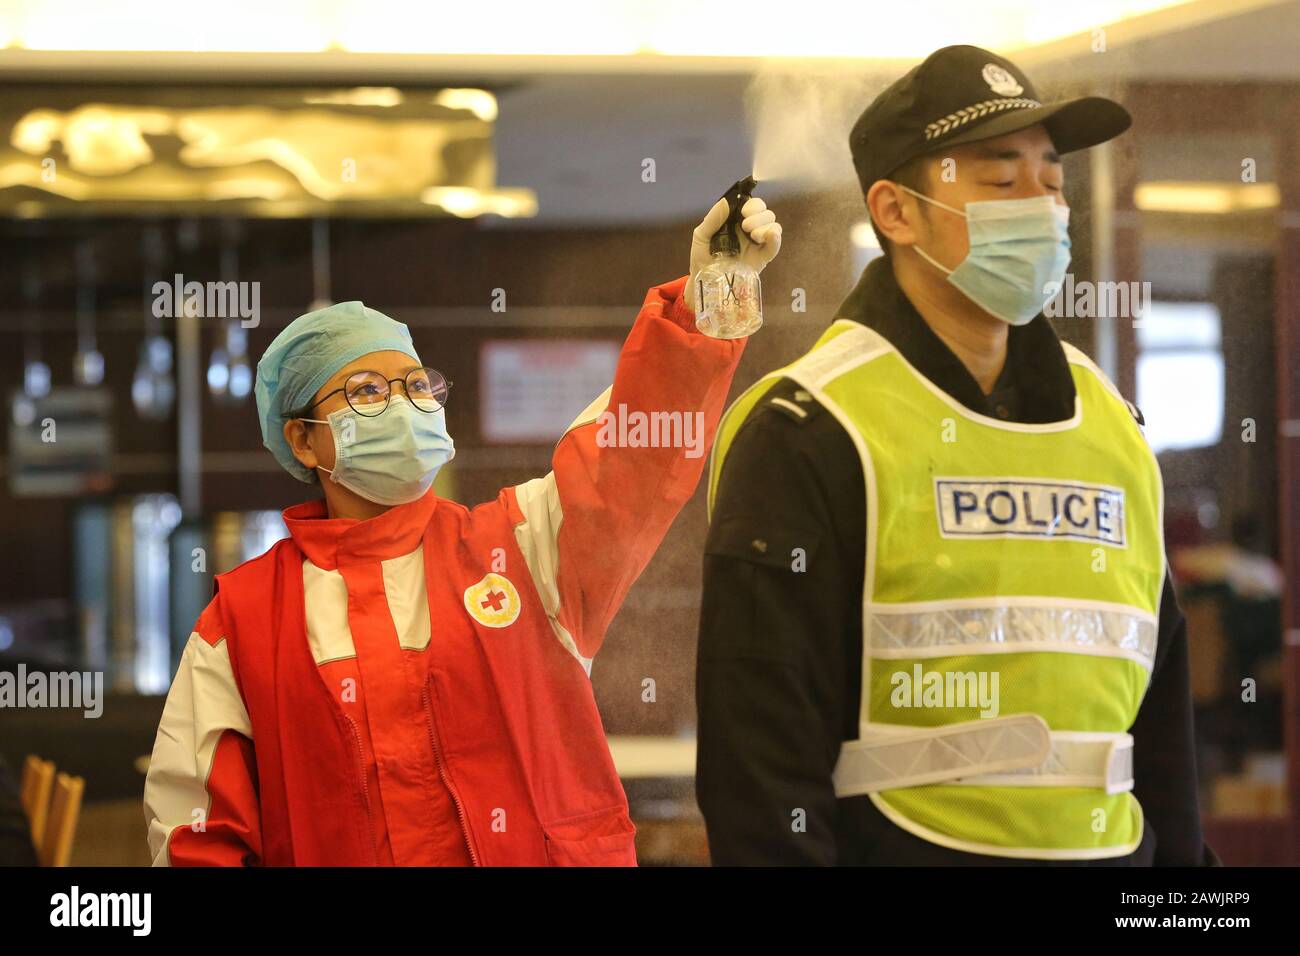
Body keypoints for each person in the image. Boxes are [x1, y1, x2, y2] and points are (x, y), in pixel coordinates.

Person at [697, 44, 1219, 865]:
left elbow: (1160, 728)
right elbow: (759, 767)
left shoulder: (1112, 425)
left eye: (1053, 180)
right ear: (896, 212)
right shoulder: (809, 426)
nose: (1044, 205)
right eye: (1002, 180)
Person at [143, 196, 782, 866]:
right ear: (304, 440)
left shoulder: (524, 549)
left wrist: (717, 295)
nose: (405, 407)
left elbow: (632, 453)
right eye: (366, 392)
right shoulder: (244, 623)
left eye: (418, 386)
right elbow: (194, 831)